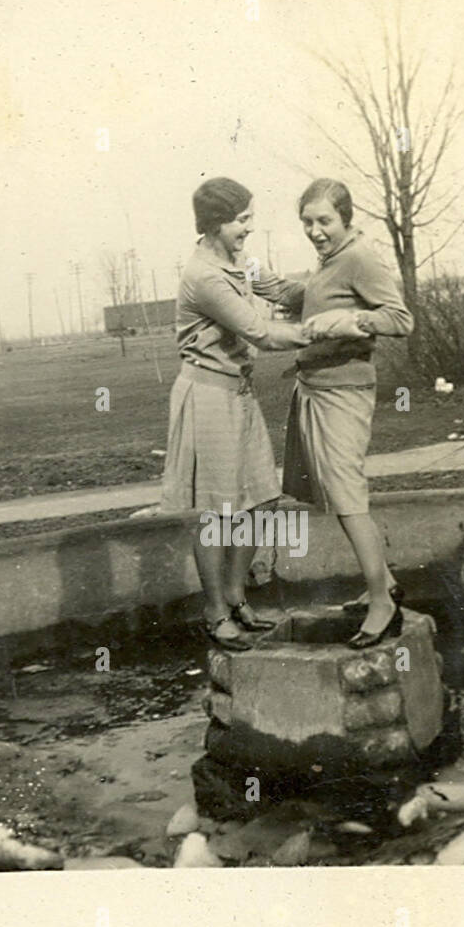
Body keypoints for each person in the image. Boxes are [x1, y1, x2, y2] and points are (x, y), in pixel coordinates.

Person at [160, 176, 308, 651]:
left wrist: (336, 283)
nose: (249, 227)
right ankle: (215, 612)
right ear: (216, 222)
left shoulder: (241, 262)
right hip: (207, 397)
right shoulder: (203, 276)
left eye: (249, 217)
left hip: (238, 395)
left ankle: (238, 598)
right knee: (218, 514)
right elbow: (260, 331)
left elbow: (282, 291)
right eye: (241, 219)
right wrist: (329, 327)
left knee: (263, 501)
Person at [283, 177, 413, 649]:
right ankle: (385, 582)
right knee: (341, 495)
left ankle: (383, 603)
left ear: (346, 218)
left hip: (343, 391)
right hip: (318, 387)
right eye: (307, 222)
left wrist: (352, 321)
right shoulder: (332, 259)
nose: (315, 230)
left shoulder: (359, 256)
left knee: (346, 495)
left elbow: (401, 319)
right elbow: (329, 295)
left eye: (324, 221)